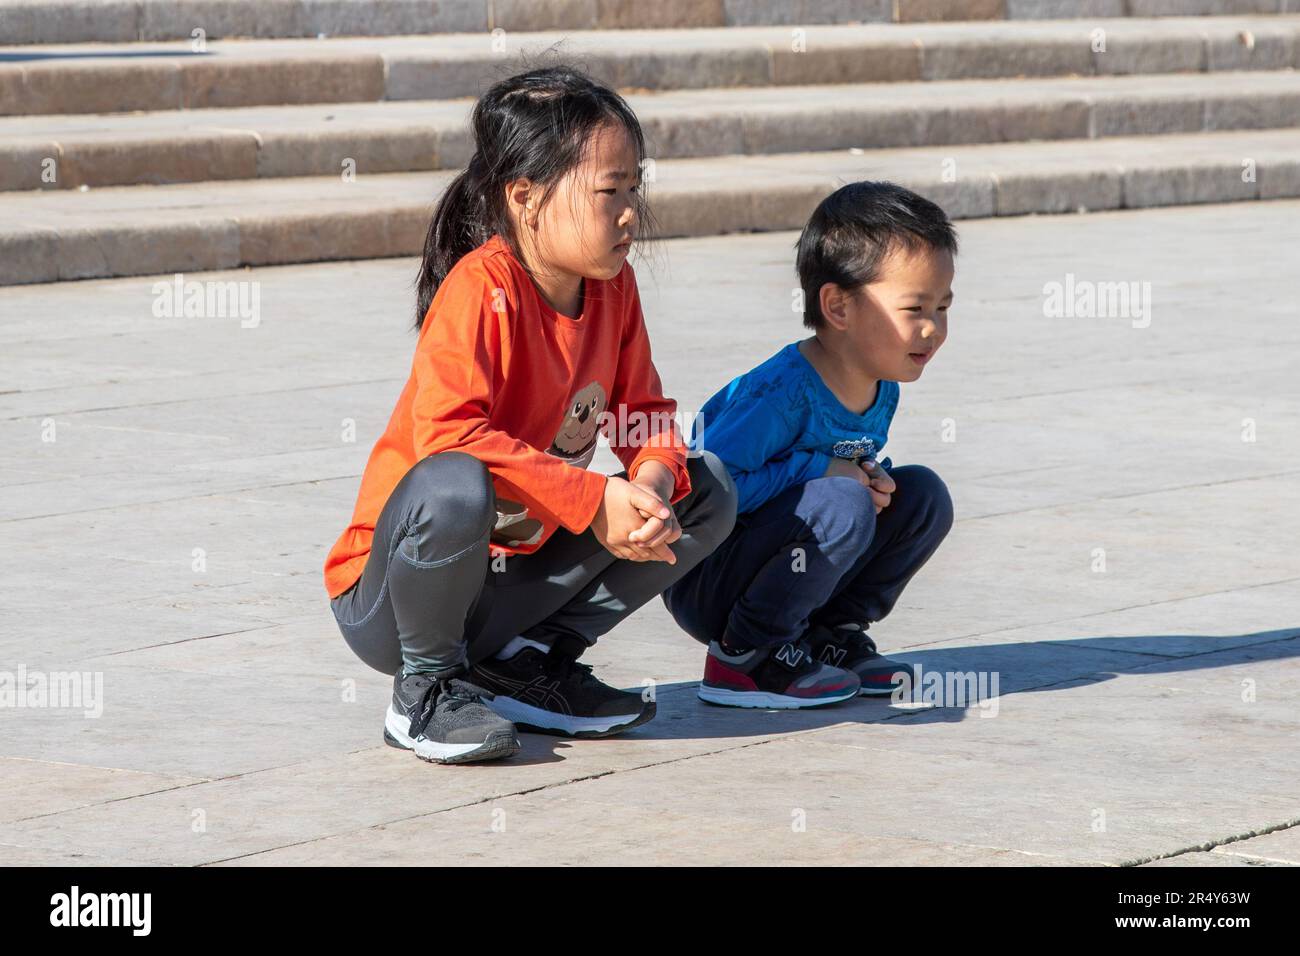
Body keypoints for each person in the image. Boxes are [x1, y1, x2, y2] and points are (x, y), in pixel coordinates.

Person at [324, 65, 737, 763]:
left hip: (505, 587)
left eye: (635, 187)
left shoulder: (614, 289)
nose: (631, 212)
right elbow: (448, 436)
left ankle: (525, 665)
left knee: (711, 489)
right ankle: (424, 690)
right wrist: (593, 496)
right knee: (455, 482)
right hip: (395, 603)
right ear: (526, 199)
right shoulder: (480, 290)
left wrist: (657, 485)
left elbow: (643, 413)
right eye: (611, 191)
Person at [663, 181, 955, 709]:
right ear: (838, 307)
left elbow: (835, 471)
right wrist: (821, 472)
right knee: (840, 502)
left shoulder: (880, 380)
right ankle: (745, 658)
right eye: (915, 308)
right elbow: (699, 493)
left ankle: (829, 635)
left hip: (787, 559)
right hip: (709, 579)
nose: (932, 329)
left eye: (943, 306)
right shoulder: (780, 395)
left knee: (922, 496)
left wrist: (869, 476)